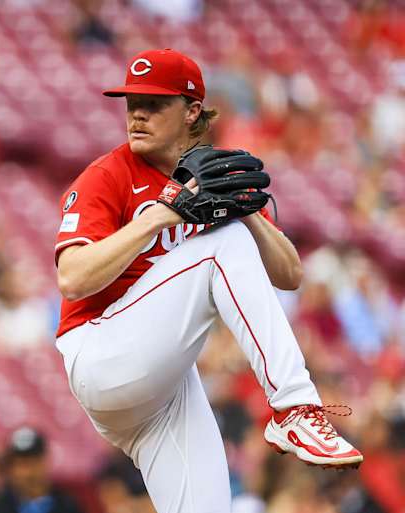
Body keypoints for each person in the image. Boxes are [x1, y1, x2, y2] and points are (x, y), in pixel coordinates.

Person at [52, 48, 362, 512]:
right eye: (131, 102)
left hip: (163, 385)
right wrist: (159, 217)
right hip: (101, 352)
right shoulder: (107, 175)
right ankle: (295, 405)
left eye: (154, 103)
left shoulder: (211, 178)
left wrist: (250, 212)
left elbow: (290, 274)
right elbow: (72, 279)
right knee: (226, 242)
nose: (137, 113)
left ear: (192, 110)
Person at [0, 427, 83, 513]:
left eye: (32, 462)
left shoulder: (66, 505)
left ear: (45, 460)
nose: (27, 472)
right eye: (20, 464)